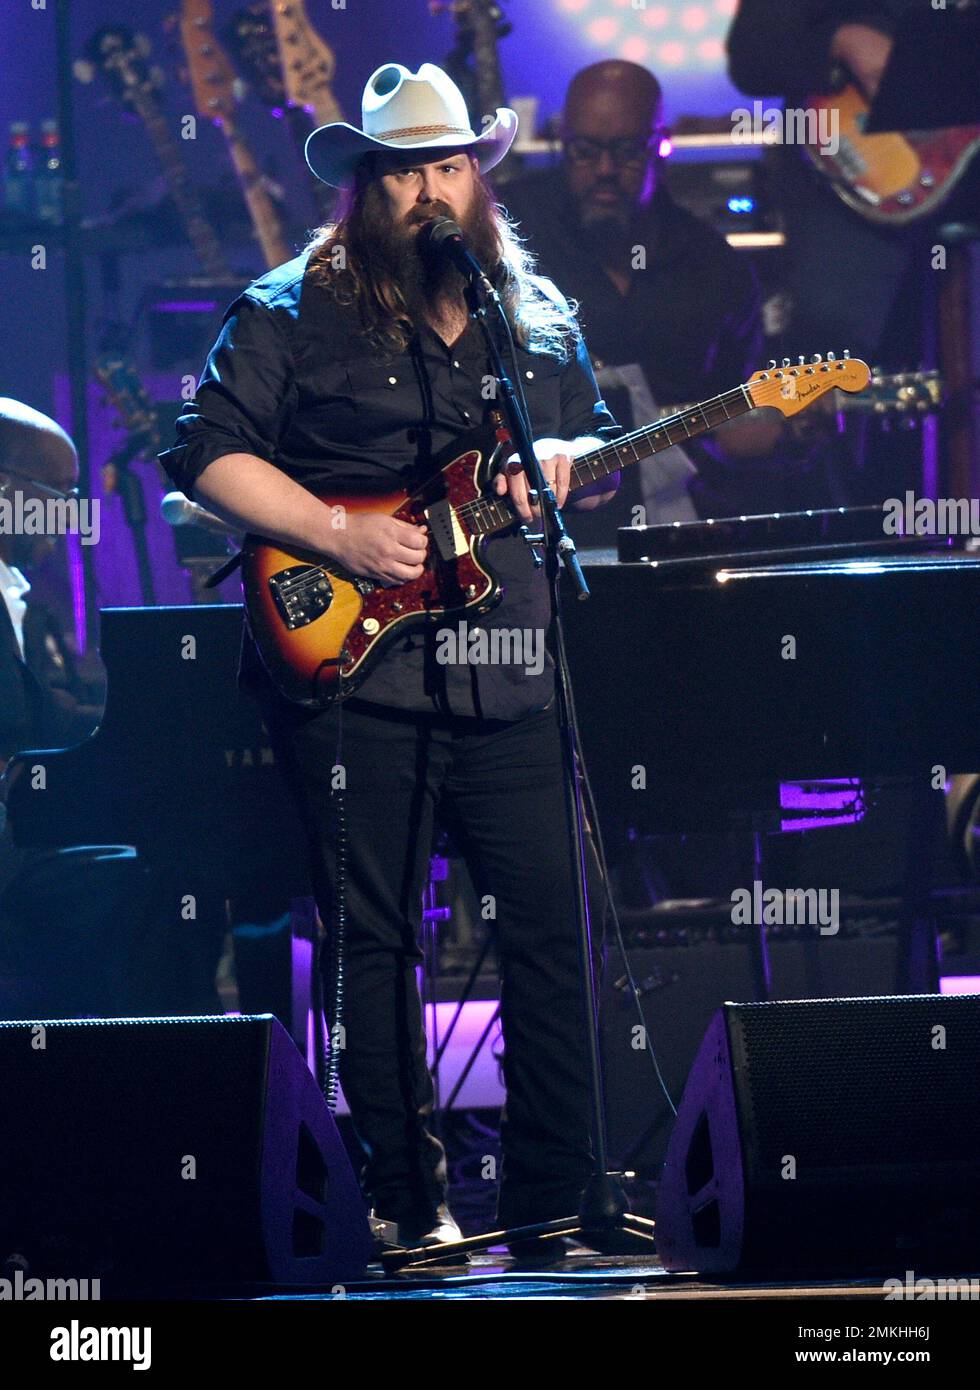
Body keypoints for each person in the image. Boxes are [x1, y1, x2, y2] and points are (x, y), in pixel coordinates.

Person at [160, 62, 623, 1255]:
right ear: (367, 184)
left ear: (480, 174)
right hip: (356, 674)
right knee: (376, 943)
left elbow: (595, 434)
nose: (430, 188)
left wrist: (567, 452)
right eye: (407, 166)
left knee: (549, 931)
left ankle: (552, 1206)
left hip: (509, 665)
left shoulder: (533, 308)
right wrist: (333, 530)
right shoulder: (290, 304)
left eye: (450, 163)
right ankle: (406, 1206)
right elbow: (201, 451)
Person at [499, 60, 786, 533]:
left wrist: (783, 437)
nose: (605, 170)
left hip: (677, 520)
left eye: (628, 151)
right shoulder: (508, 231)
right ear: (562, 142)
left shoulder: (716, 266)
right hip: (530, 525)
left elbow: (736, 425)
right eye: (584, 151)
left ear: (662, 146)